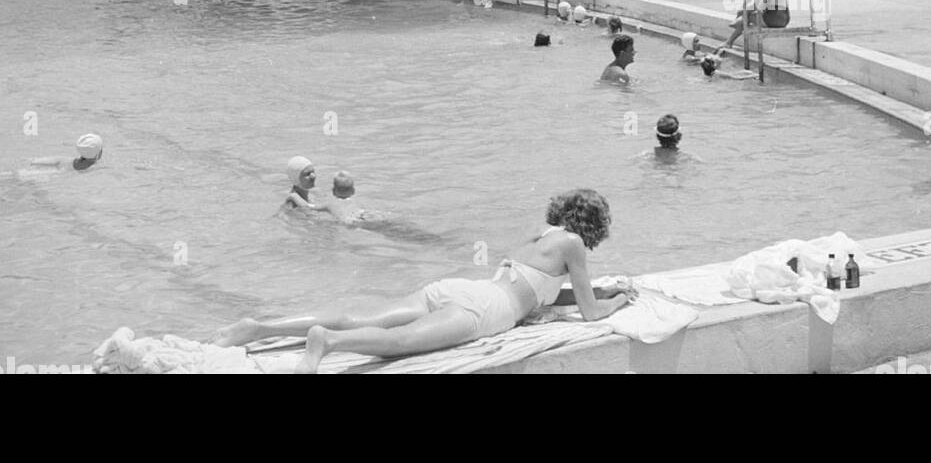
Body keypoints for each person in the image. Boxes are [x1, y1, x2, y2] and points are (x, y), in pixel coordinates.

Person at [213, 189, 635, 370]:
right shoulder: (575, 244)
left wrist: (598, 289)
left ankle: (256, 328)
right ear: (593, 222)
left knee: (361, 318)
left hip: (461, 289)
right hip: (484, 311)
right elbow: (590, 313)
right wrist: (618, 299)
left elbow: (537, 289)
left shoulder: (541, 235)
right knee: (399, 345)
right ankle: (328, 344)